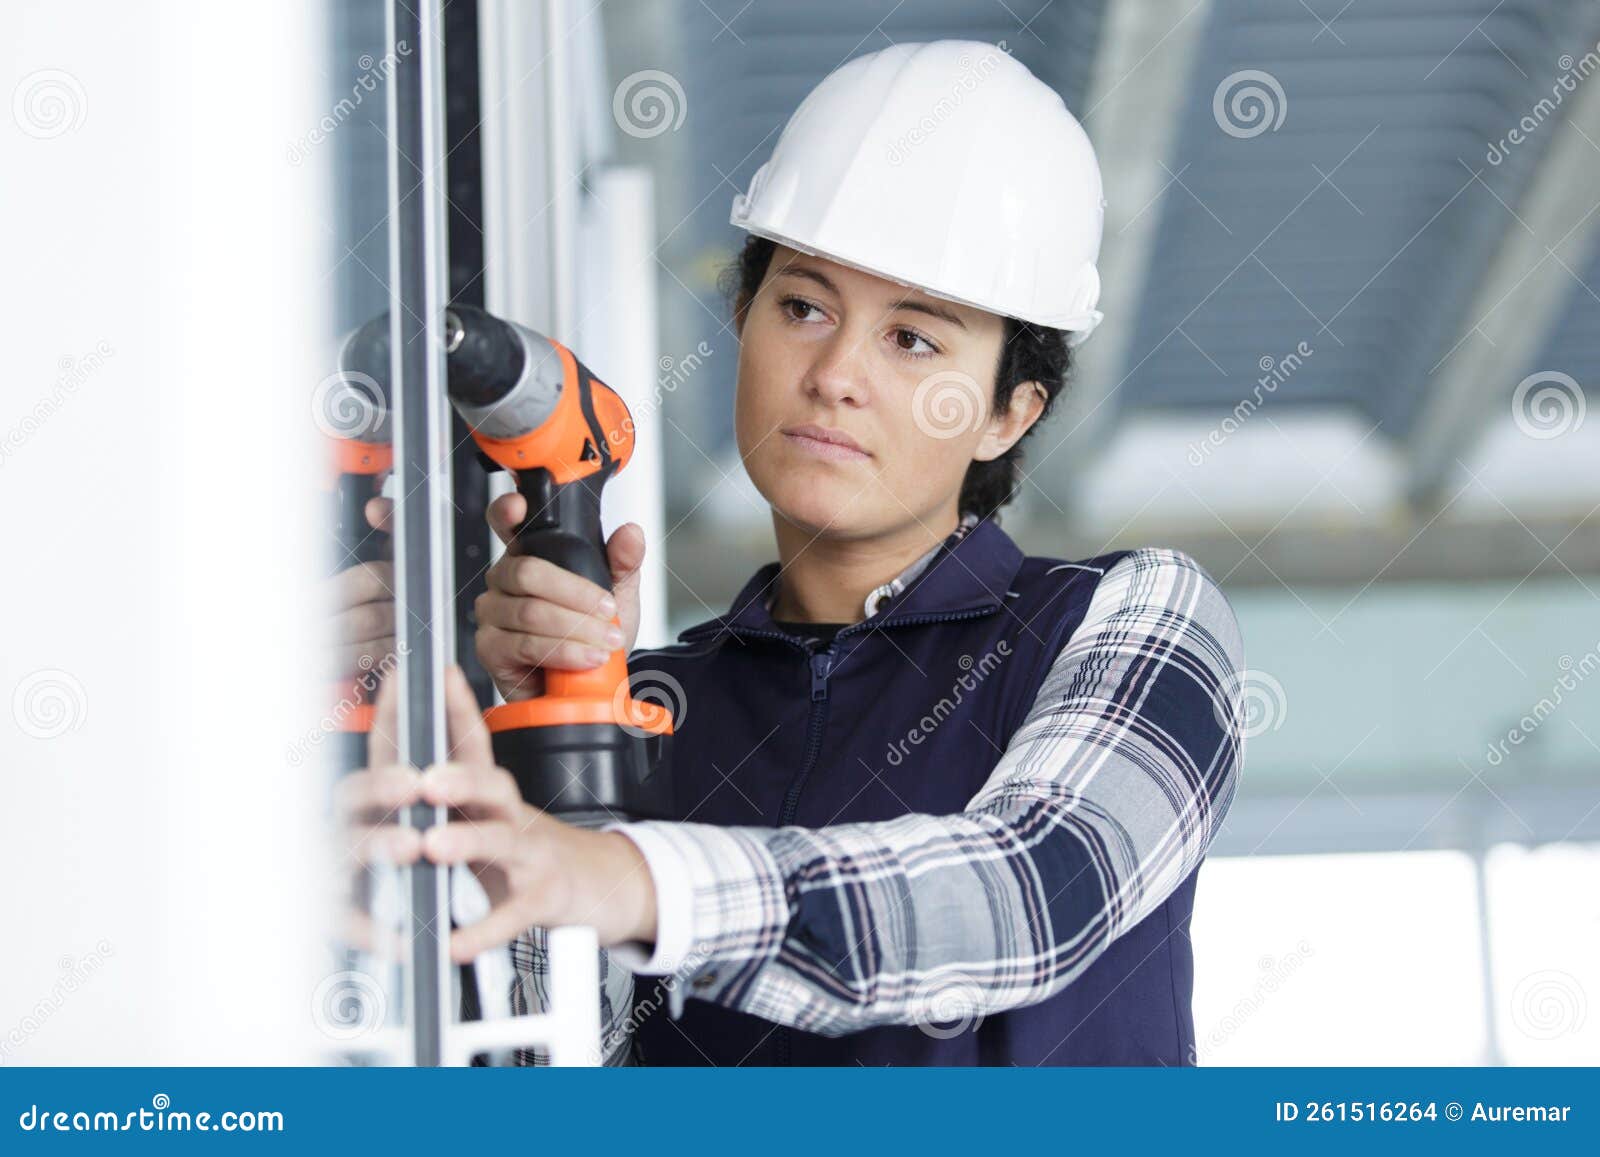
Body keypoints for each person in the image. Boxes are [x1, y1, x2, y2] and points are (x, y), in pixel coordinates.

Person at [353, 40, 1246, 1066]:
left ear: (1008, 410)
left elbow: (1032, 890)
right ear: (741, 318)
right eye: (804, 306)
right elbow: (549, 1069)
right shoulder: (653, 710)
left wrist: (623, 879)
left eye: (913, 338)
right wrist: (548, 745)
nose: (832, 374)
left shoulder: (1124, 615)